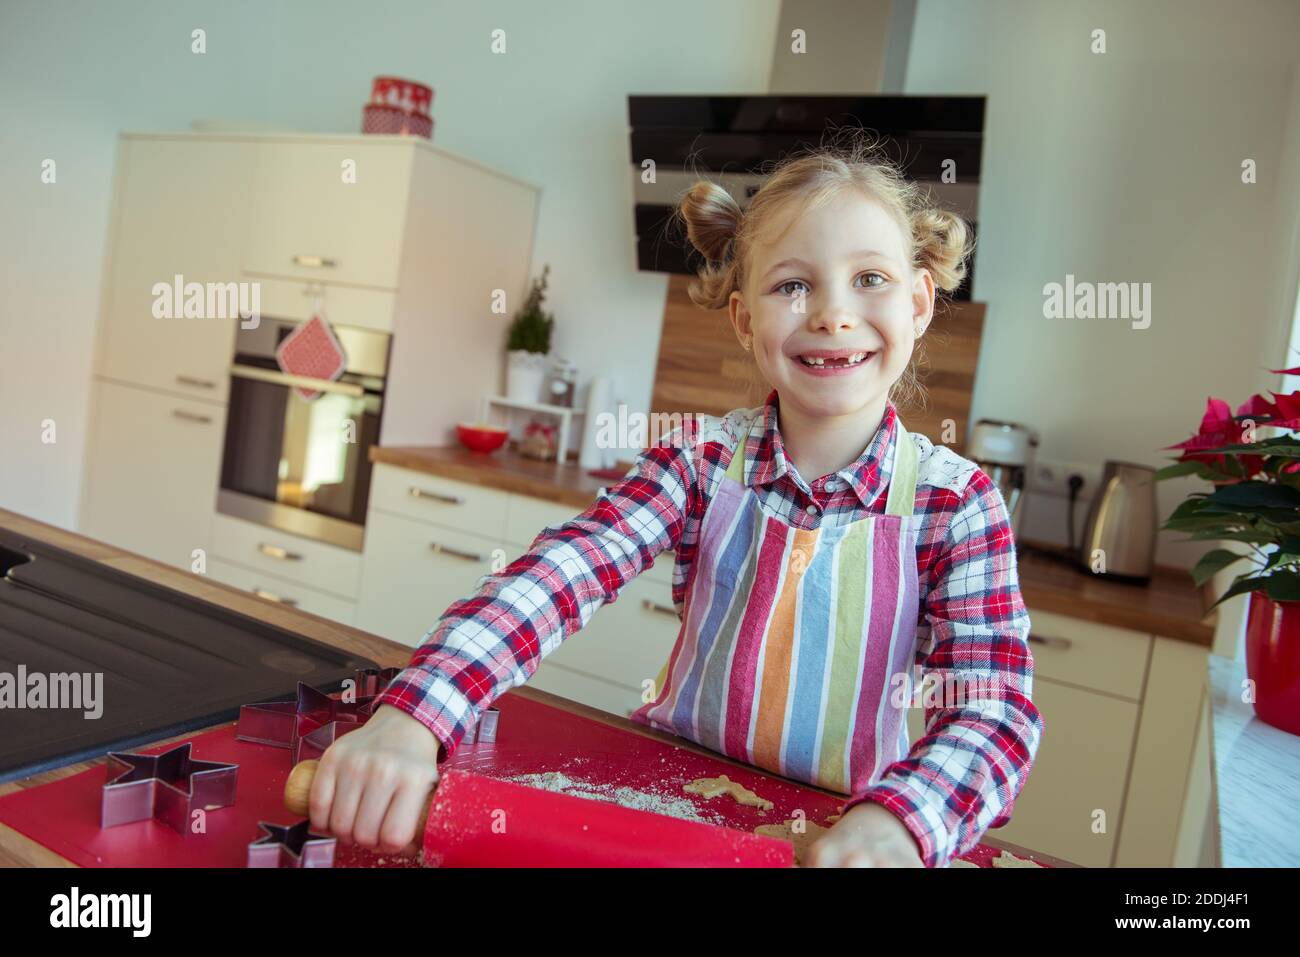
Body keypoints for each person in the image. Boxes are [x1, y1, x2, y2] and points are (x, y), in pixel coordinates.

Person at [308, 132, 1044, 868]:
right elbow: (561, 574)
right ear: (744, 319)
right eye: (793, 284)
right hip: (668, 808)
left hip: (844, 834)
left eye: (870, 279)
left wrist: (902, 823)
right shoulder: (699, 461)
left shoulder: (957, 504)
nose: (832, 314)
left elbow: (992, 708)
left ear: (919, 303)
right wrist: (416, 713)